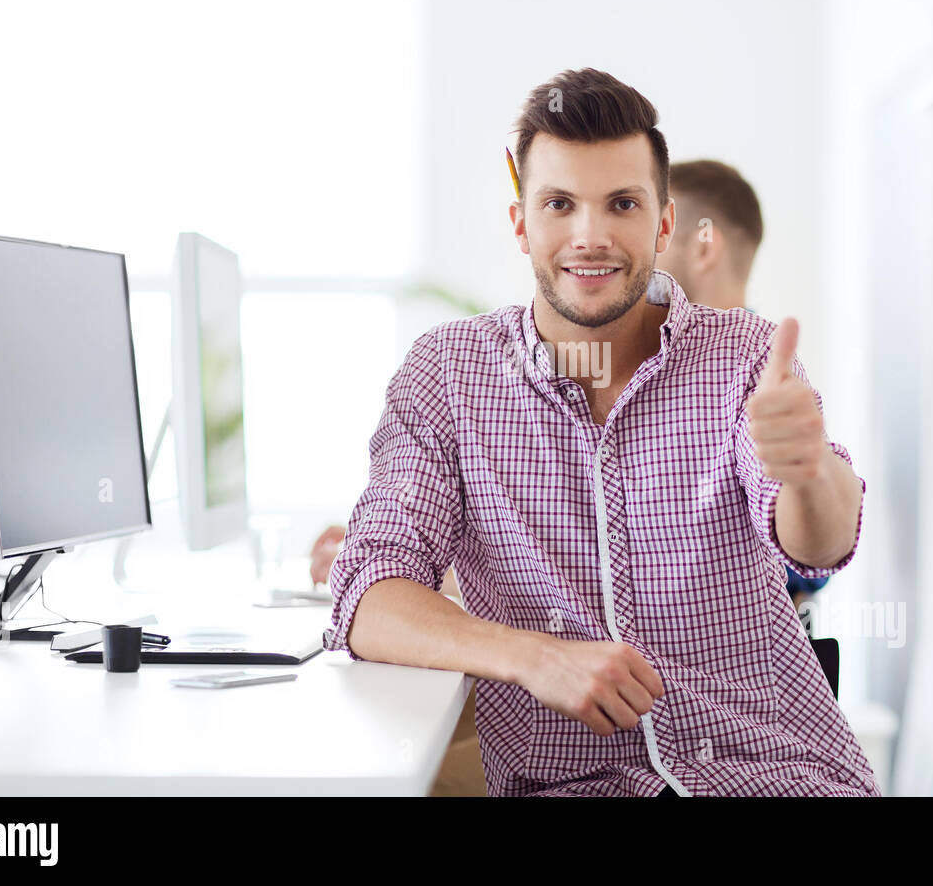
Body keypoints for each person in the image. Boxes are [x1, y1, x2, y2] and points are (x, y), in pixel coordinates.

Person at [322, 68, 876, 797]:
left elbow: (821, 543)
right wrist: (536, 657)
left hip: (780, 778)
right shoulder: (450, 374)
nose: (590, 236)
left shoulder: (744, 353)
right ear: (521, 222)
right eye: (559, 204)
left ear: (664, 223)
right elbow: (366, 592)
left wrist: (808, 471)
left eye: (622, 204)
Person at [655, 159, 829, 612]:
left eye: (658, 235)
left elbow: (809, 559)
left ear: (704, 247)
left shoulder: (761, 380)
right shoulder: (656, 368)